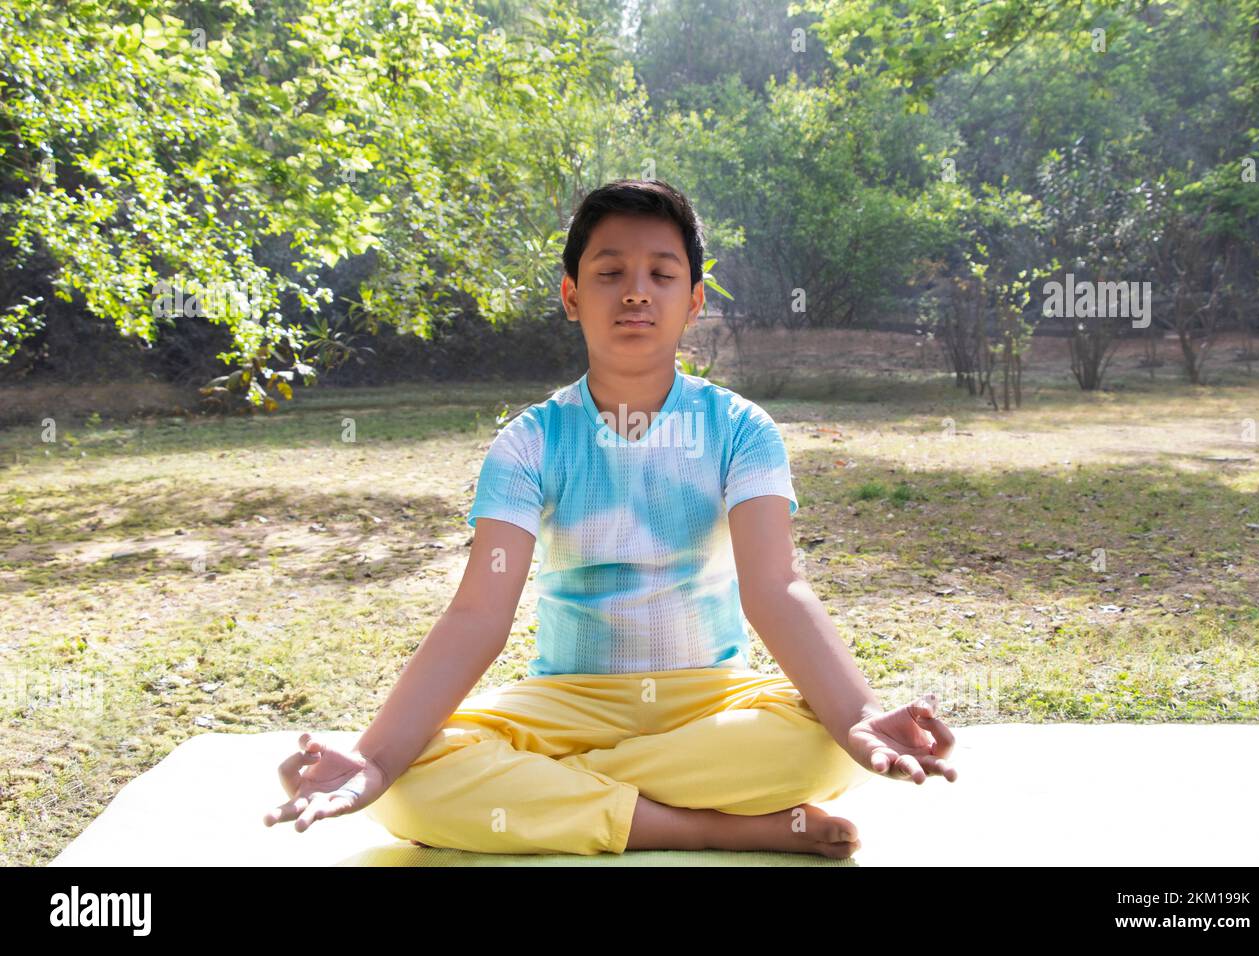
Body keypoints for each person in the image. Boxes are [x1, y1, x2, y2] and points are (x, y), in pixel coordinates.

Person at [263, 179, 957, 857]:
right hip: (567, 704)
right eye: (610, 271)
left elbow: (775, 590)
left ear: (693, 302)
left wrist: (861, 718)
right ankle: (710, 825)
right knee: (402, 785)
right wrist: (375, 758)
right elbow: (478, 615)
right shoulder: (529, 442)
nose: (635, 291)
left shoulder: (742, 429)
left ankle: (574, 803)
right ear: (571, 296)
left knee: (825, 744)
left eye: (661, 273)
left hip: (712, 700)